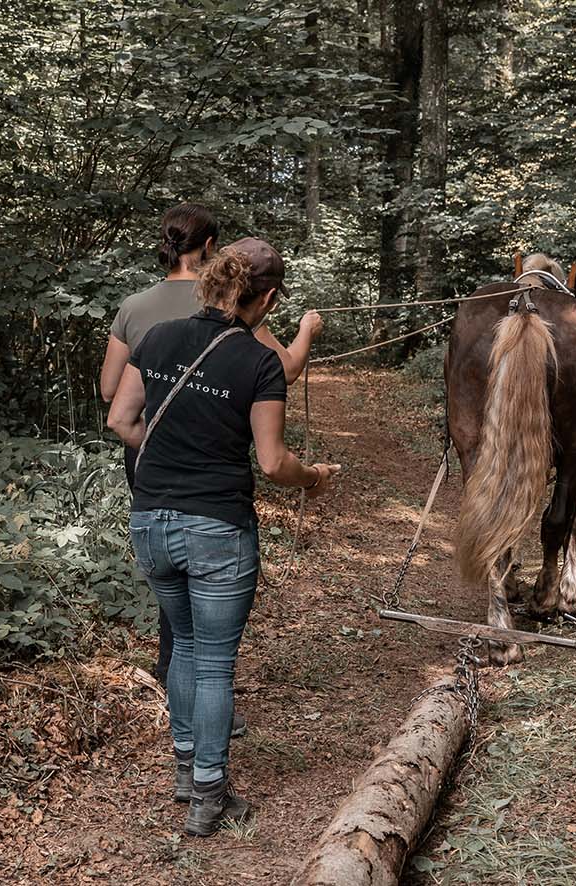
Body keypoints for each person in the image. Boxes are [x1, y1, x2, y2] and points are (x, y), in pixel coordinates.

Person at [107, 238, 341, 836]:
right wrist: (312, 478)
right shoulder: (259, 361)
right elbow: (272, 462)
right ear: (264, 298)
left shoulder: (156, 338)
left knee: (182, 646)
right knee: (213, 663)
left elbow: (120, 419)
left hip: (151, 520)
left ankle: (187, 771)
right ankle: (209, 794)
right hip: (217, 528)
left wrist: (173, 459)